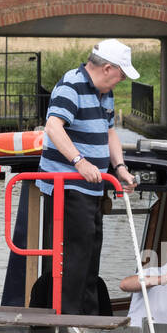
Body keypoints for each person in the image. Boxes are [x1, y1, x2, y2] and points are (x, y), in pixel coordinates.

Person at [36, 39, 137, 315]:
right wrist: (80, 162)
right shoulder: (72, 85)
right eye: (120, 75)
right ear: (107, 68)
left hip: (92, 188)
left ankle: (88, 321)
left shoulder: (105, 93)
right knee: (73, 260)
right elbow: (53, 126)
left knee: (90, 259)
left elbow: (109, 132)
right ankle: (67, 323)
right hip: (68, 188)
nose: (121, 81)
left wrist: (120, 168)